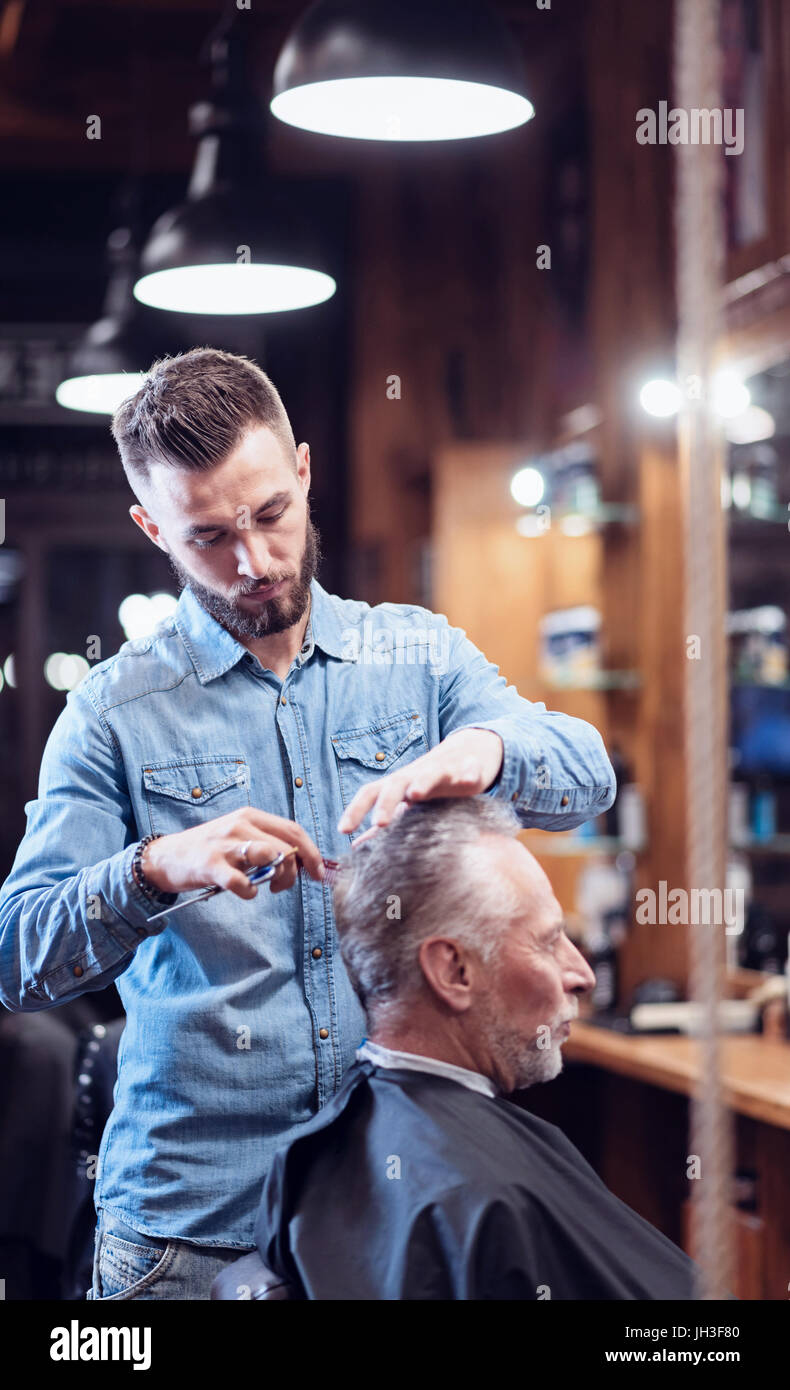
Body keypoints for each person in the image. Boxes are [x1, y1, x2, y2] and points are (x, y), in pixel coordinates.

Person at [0, 348, 616, 1300]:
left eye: (271, 515)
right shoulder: (112, 712)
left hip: (395, 1217)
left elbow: (586, 773)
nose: (253, 562)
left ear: (305, 471)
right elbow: (18, 959)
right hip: (186, 1241)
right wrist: (156, 867)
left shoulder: (419, 654)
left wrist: (489, 751)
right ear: (150, 527)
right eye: (207, 536)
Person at [249, 797, 701, 1300]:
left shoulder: (320, 1151)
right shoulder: (480, 1198)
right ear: (453, 971)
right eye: (549, 941)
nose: (582, 974)